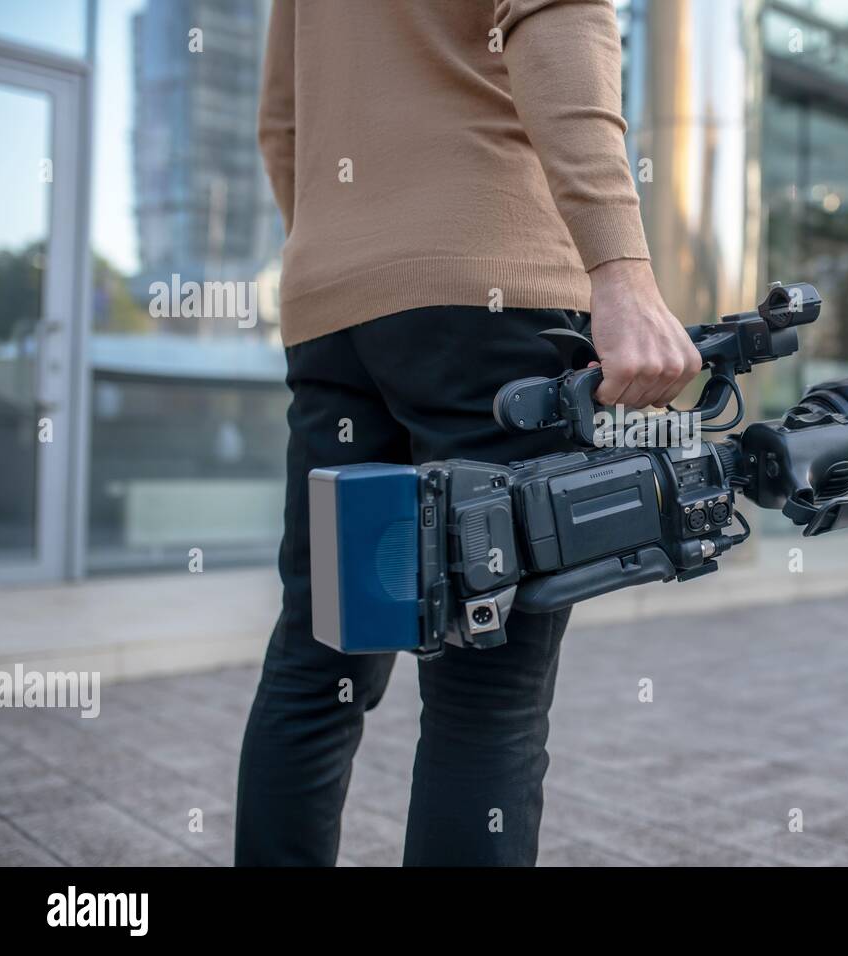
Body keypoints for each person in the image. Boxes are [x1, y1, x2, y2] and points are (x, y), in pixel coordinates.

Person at [235, 0, 701, 866]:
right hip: (490, 292)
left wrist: (341, 249)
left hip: (336, 312)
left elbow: (281, 121)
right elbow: (557, 17)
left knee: (320, 659)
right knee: (487, 696)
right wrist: (621, 268)